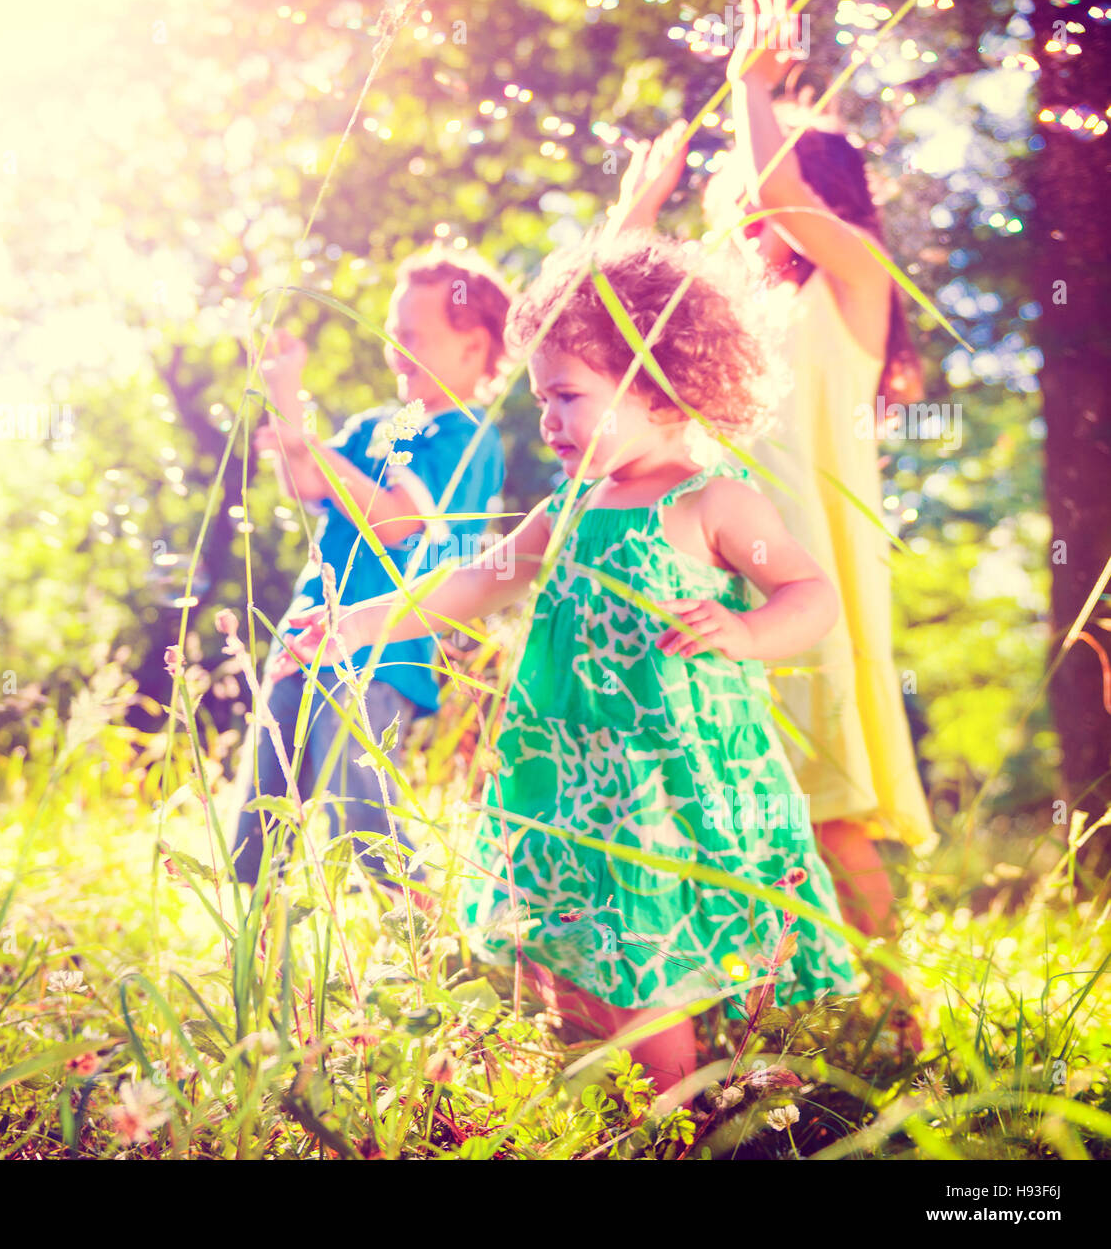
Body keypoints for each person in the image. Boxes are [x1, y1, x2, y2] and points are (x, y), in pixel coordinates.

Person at [271, 229, 860, 1093]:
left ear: (660, 388)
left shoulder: (712, 502)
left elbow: (810, 594)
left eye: (568, 396)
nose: (548, 419)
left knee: (665, 947)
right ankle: (655, 1092)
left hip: (675, 776)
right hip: (579, 778)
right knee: (600, 952)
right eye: (543, 398)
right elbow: (479, 580)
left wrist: (745, 632)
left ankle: (691, 1112)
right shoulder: (571, 504)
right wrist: (358, 621)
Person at [608, 0, 937, 1000]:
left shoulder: (856, 287)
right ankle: (777, 1011)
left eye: (763, 196)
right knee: (730, 803)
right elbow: (608, 328)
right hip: (722, 574)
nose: (748, 214)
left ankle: (904, 1020)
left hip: (815, 583)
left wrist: (751, 88)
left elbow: (783, 194)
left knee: (828, 809)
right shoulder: (730, 333)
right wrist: (639, 211)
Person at [232, 245, 510, 892]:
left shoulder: (466, 435)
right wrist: (283, 390)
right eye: (392, 332)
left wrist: (315, 449)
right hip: (309, 625)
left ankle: (404, 918)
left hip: (382, 646)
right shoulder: (378, 423)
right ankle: (250, 922)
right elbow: (305, 481)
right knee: (264, 789)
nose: (395, 348)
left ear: (473, 348)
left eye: (413, 335)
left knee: (358, 796)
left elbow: (396, 520)